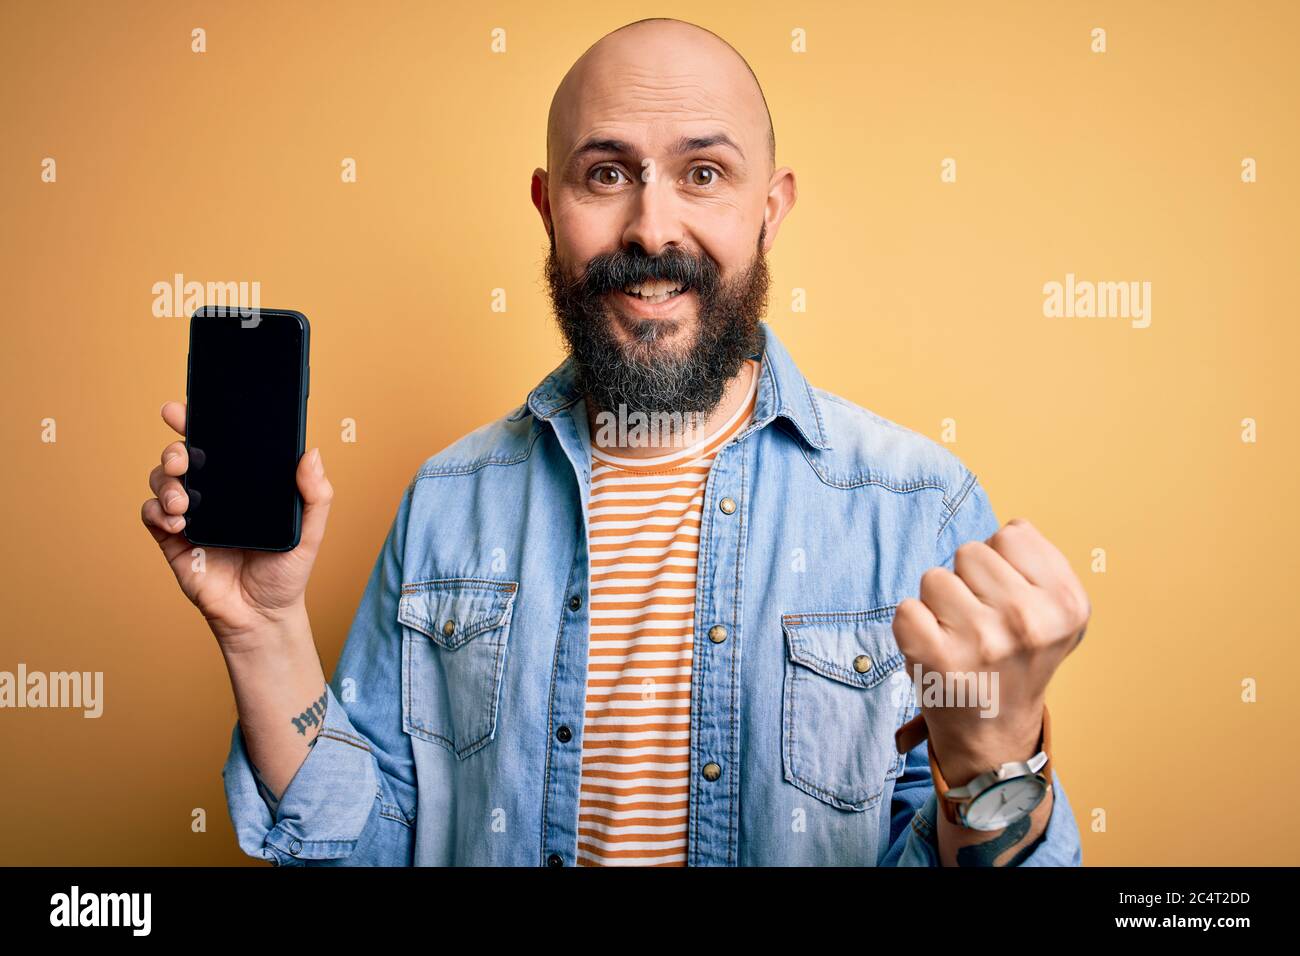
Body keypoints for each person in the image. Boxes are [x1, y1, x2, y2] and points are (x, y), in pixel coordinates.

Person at [141, 17, 1088, 866]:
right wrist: (262, 633)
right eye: (606, 174)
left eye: (703, 174)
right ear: (549, 208)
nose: (652, 225)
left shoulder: (916, 506)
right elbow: (371, 846)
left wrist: (992, 761)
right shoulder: (449, 499)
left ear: (772, 207)